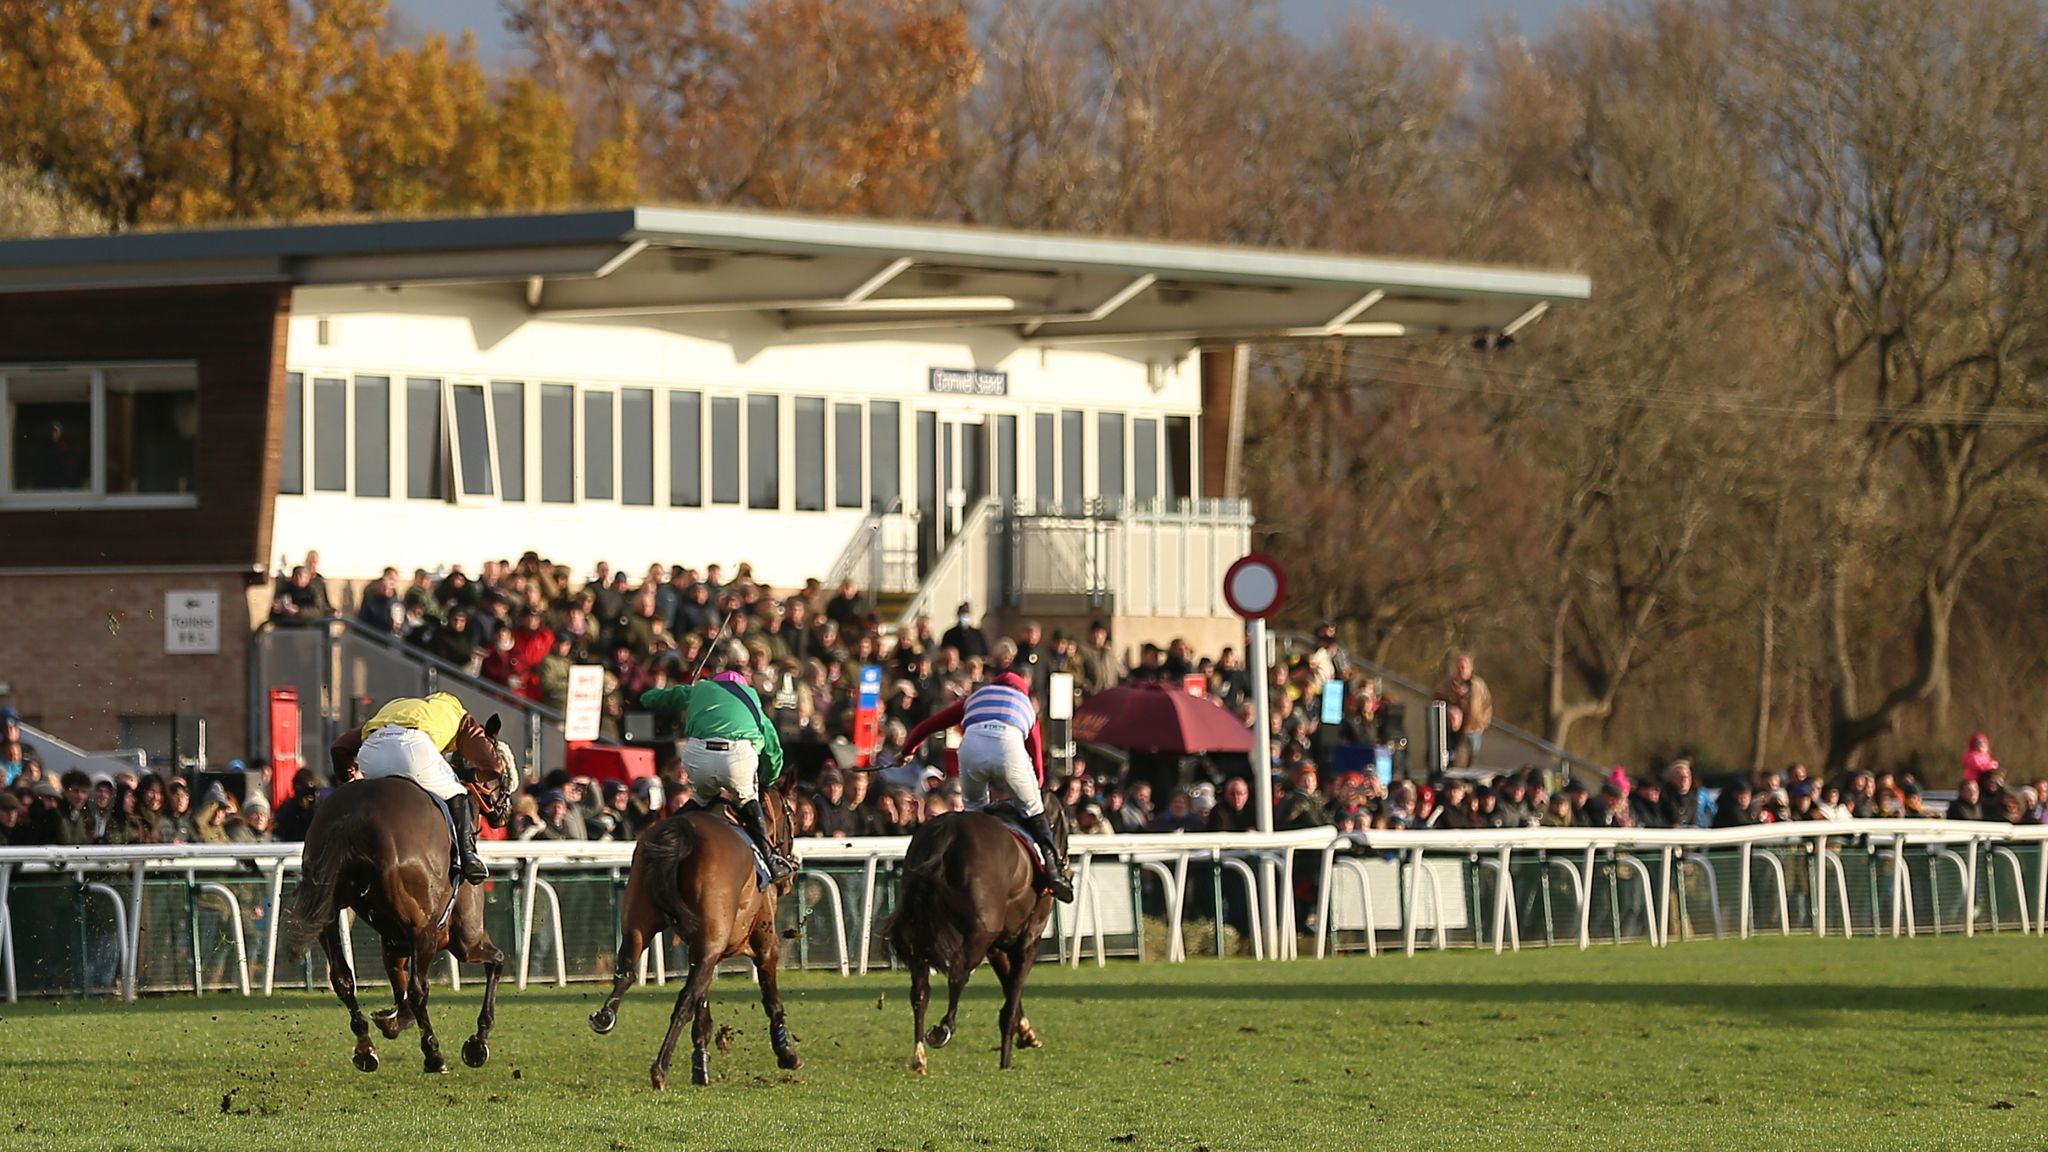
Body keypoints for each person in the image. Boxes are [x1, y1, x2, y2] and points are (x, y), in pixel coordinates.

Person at [894, 669, 1072, 901]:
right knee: (1034, 809)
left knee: (974, 813)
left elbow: (926, 727)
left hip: (971, 750)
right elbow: (1036, 755)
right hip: (1009, 748)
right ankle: (1054, 873)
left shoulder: (975, 697)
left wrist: (906, 752)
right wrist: (1035, 786)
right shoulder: (1025, 704)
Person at [638, 667, 795, 883]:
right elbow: (774, 750)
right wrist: (768, 780)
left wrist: (648, 696)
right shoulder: (752, 699)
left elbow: (651, 699)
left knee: (699, 800)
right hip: (737, 760)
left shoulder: (699, 689)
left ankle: (659, 837)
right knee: (748, 801)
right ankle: (771, 861)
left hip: (698, 757)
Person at [328, 692, 502, 884]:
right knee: (458, 791)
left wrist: (347, 775)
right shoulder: (460, 716)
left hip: (372, 751)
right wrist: (469, 775)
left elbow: (338, 747)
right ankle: (468, 857)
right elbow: (494, 768)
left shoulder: (397, 707)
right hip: (414, 748)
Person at [1431, 652, 1492, 768]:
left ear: (1471, 668)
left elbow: (1487, 705)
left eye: (1464, 667)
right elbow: (1436, 700)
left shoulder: (1478, 686)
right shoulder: (1447, 685)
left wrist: (1483, 723)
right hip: (1453, 731)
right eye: (1459, 667)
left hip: (1473, 729)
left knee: (1472, 758)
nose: (1461, 670)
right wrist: (1452, 703)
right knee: (1453, 759)